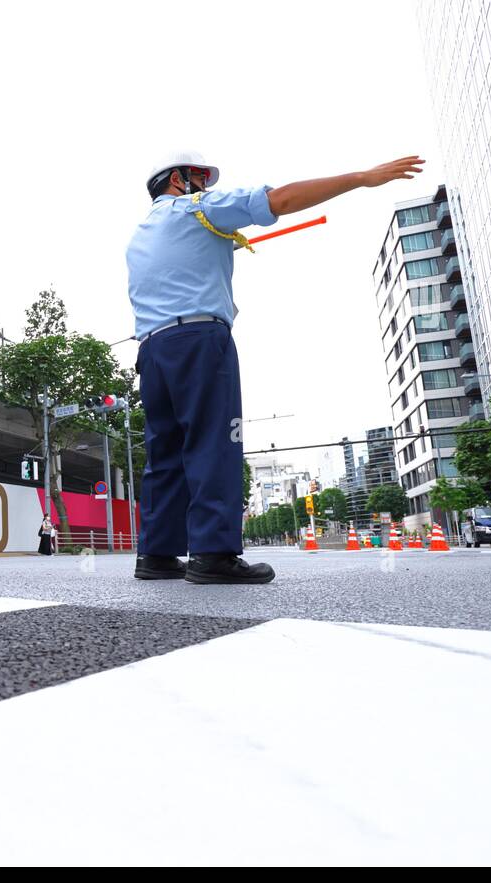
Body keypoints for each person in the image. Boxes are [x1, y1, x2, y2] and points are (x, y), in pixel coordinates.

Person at [127, 150, 424, 583]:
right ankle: (213, 555)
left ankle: (156, 555)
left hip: (152, 349)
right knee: (213, 442)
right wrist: (361, 177)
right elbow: (279, 200)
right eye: (199, 179)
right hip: (199, 340)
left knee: (165, 452)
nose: (206, 187)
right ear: (177, 180)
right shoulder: (196, 208)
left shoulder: (140, 235)